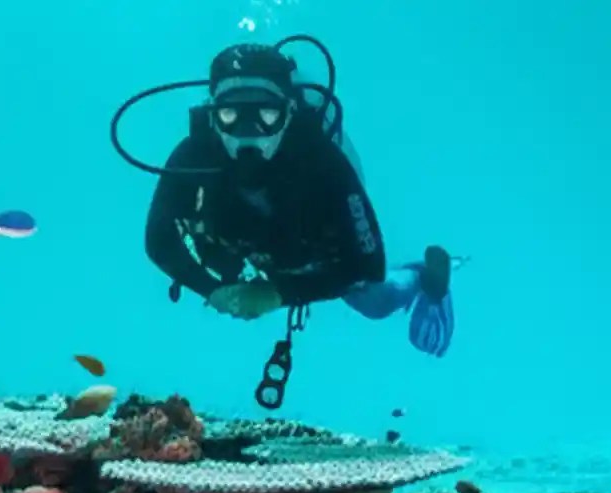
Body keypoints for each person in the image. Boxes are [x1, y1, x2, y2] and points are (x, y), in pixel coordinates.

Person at [110, 35, 460, 409]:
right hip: (246, 247)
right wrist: (210, 288)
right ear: (212, 114)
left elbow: (368, 264)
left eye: (266, 114)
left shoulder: (321, 159)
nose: (248, 130)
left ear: (290, 111)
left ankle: (421, 276)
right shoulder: (193, 152)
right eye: (230, 114)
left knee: (375, 303)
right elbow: (158, 239)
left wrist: (280, 294)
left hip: (313, 257)